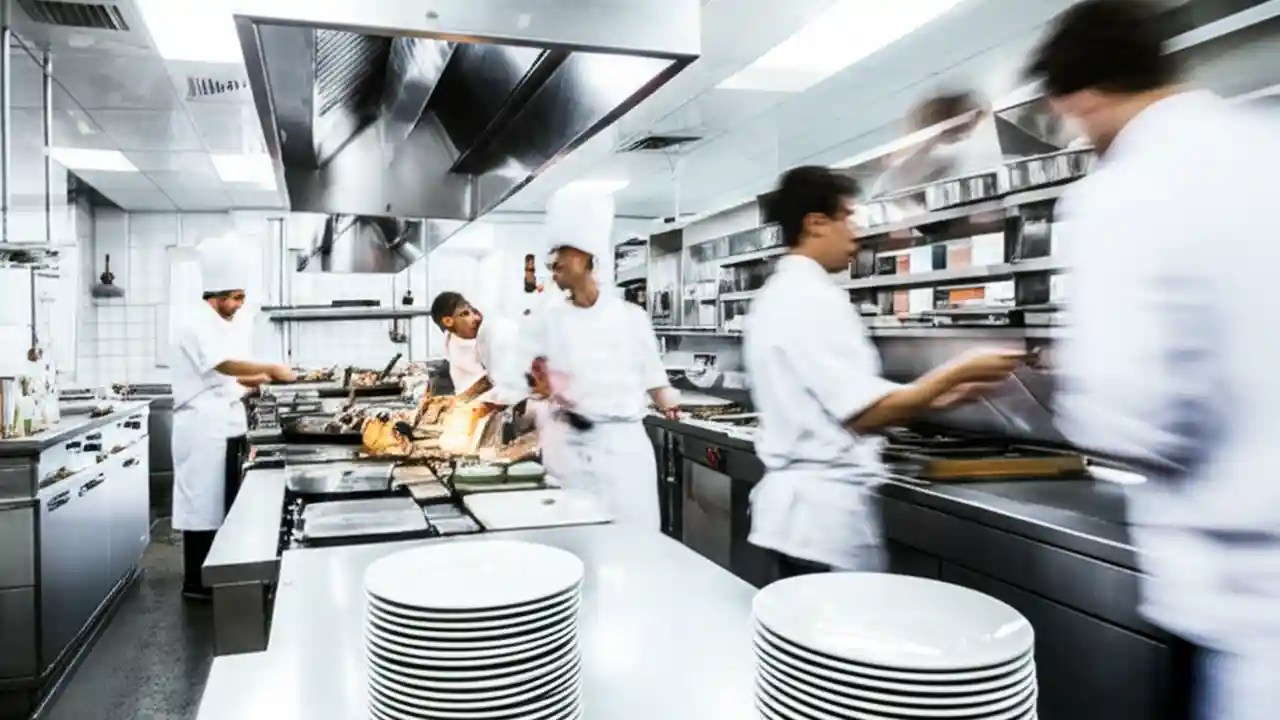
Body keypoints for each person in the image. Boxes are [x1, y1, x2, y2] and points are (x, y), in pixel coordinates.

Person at [1027, 2, 1280, 718]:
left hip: (1235, 600)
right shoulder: (1264, 147)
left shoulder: (1127, 191)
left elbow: (1127, 415)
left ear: (1081, 97)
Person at [743, 166, 1022, 578]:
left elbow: (830, 400)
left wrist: (940, 396)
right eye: (848, 217)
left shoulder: (779, 296)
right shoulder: (810, 300)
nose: (855, 233)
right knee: (837, 639)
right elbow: (863, 414)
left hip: (801, 518)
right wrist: (958, 370)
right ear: (816, 224)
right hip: (822, 523)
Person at [507, 184, 680, 530]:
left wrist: (668, 401)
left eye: (562, 253)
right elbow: (519, 376)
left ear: (587, 258)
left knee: (633, 548)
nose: (554, 263)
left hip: (623, 453)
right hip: (568, 449)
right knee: (577, 548)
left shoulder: (630, 316)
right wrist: (534, 386)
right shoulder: (543, 319)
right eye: (552, 256)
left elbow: (655, 378)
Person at [171, 236, 295, 600]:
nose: (240, 305)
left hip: (222, 424)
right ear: (217, 295)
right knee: (202, 509)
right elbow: (223, 364)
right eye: (237, 297)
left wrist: (264, 381)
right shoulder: (195, 322)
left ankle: (220, 576)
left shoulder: (216, 324)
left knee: (219, 504)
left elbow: (231, 375)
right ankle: (197, 584)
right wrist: (272, 367)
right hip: (201, 428)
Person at [429, 291, 517, 401]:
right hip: (467, 404)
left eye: (474, 312)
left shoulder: (487, 341)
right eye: (465, 314)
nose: (475, 318)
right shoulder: (449, 339)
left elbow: (497, 379)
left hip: (490, 401)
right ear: (448, 321)